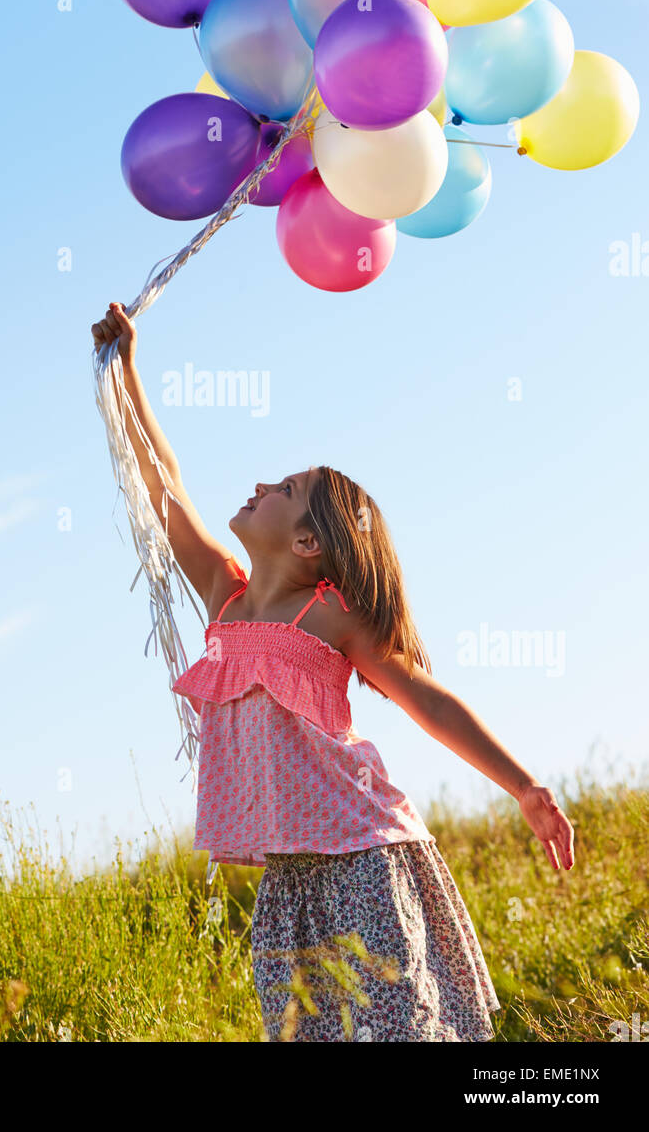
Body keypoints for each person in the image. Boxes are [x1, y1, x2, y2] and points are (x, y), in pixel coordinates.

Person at [91, 301, 576, 1042]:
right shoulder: (226, 594)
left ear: (310, 541)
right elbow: (165, 488)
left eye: (282, 490)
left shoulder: (331, 615)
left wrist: (524, 787)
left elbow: (428, 701)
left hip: (363, 860)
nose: (258, 485)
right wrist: (124, 370)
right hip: (289, 883)